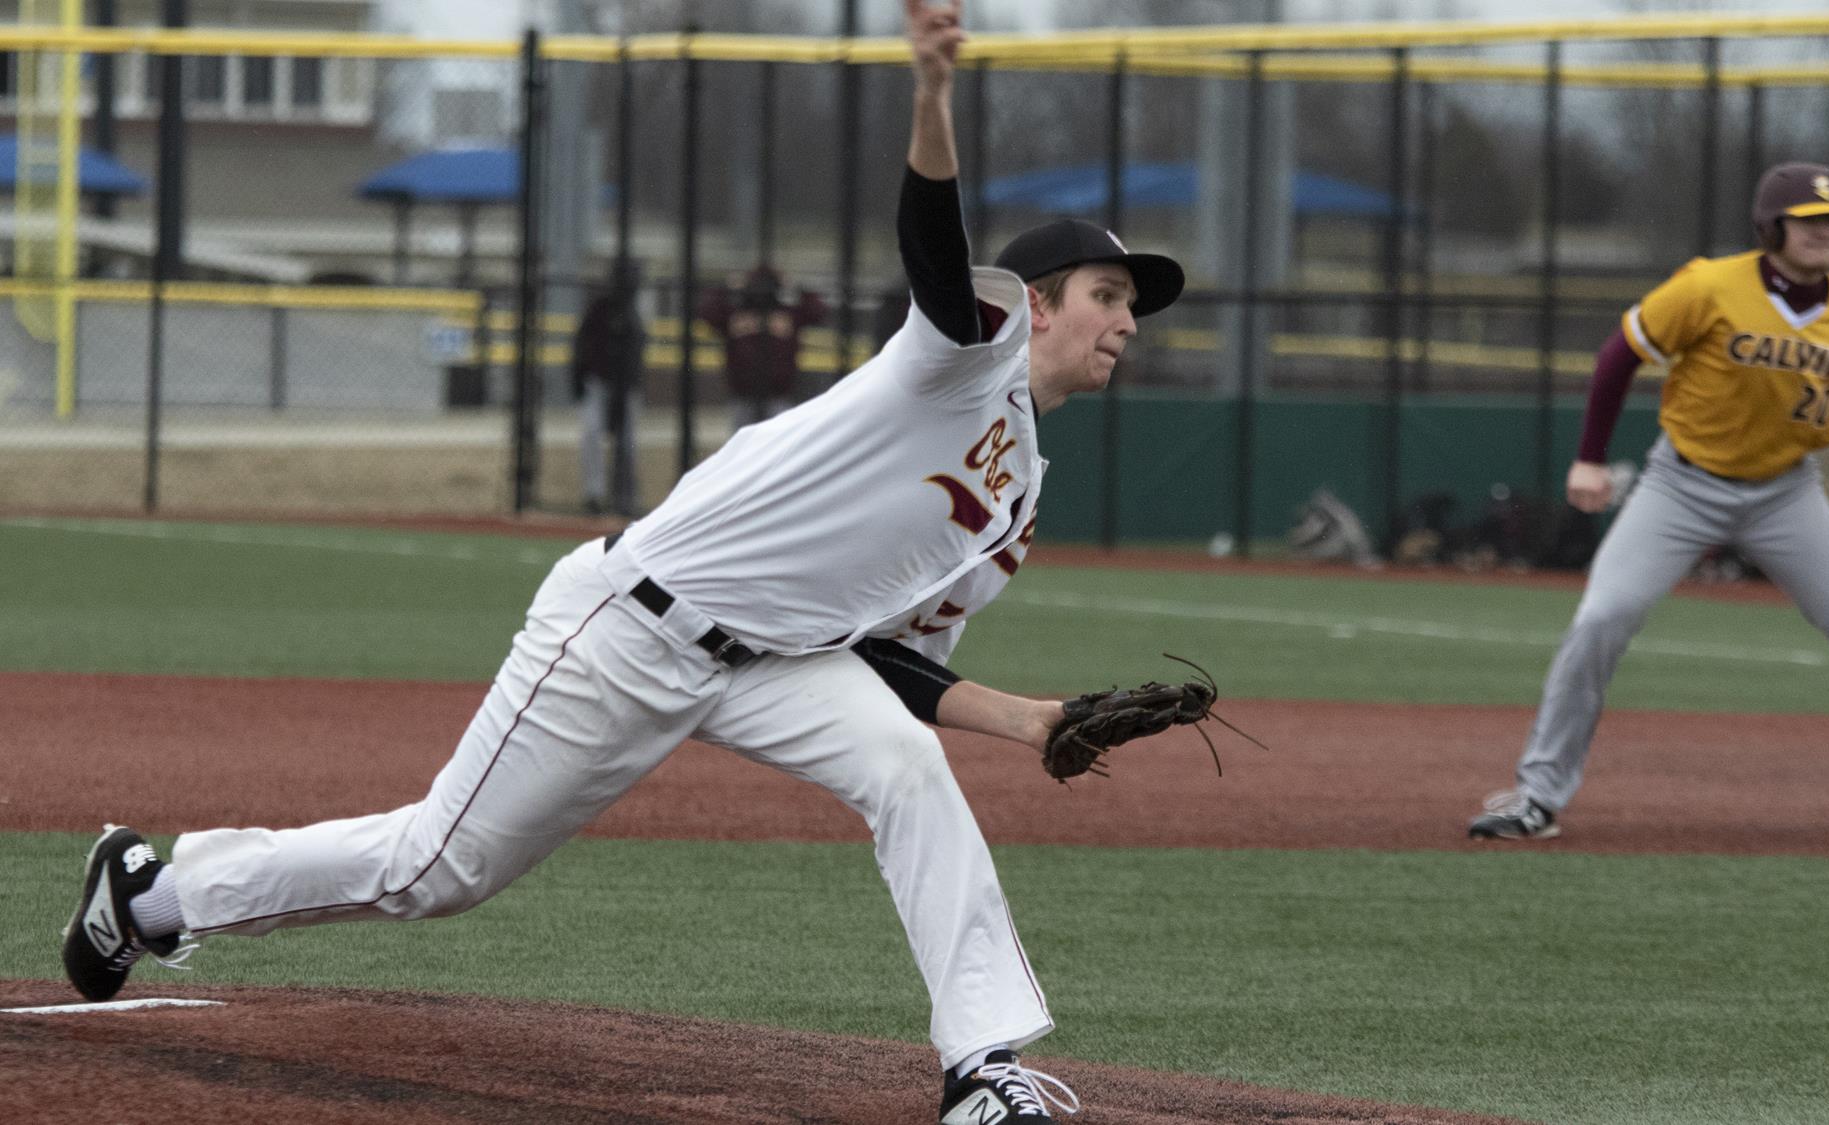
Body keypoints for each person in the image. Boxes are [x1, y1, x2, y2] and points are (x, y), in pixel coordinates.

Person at [58, 3, 1184, 1122]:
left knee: (904, 770)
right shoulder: (961, 360)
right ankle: (158, 897)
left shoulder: (1013, 498)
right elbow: (932, 248)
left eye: (1130, 304)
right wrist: (931, 94)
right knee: (433, 873)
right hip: (630, 626)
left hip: (772, 664)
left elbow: (883, 657)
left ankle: (982, 1069)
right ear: (1032, 307)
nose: (1126, 321)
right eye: (1107, 296)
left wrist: (1027, 721)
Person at [1467, 161, 1829, 849]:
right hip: (1680, 484)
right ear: (1771, 225)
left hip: (1787, 492)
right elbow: (1618, 356)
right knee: (1603, 615)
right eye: (1808, 220)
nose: (1824, 231)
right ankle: (1538, 794)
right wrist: (1590, 456)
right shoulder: (1709, 285)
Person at [697, 263, 828, 431]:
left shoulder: (788, 314)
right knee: (743, 448)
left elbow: (819, 311)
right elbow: (705, 311)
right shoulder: (734, 313)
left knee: (778, 446)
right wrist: (727, 286)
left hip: (778, 396)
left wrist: (794, 285)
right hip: (743, 396)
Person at [572, 264, 645, 515]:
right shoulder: (599, 308)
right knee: (591, 433)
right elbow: (581, 344)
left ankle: (625, 496)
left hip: (626, 388)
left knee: (627, 441)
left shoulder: (636, 312)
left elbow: (636, 355)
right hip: (598, 383)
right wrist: (579, 379)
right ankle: (594, 495)